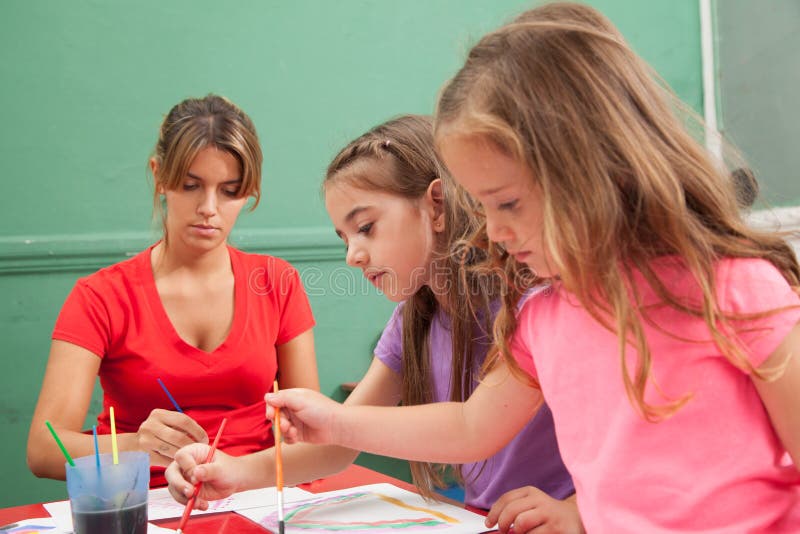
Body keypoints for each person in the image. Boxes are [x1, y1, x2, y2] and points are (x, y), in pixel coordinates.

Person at [263, 3, 800, 533]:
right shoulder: (542, 318)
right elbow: (471, 426)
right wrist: (331, 420)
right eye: (483, 205)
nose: (491, 231)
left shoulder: (736, 289)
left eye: (508, 203)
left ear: (589, 171)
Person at [165, 114, 578, 524]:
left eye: (366, 227)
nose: (352, 255)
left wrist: (576, 511)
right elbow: (336, 446)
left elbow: (474, 427)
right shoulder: (413, 318)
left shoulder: (529, 306)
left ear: (436, 205)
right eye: (344, 238)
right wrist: (231, 470)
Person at [27, 94, 320, 487]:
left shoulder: (277, 282)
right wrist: (137, 445)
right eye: (190, 185)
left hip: (259, 497)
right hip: (143, 504)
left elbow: (309, 430)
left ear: (248, 192)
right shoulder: (100, 296)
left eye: (230, 191)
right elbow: (44, 450)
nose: (209, 208)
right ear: (160, 175)